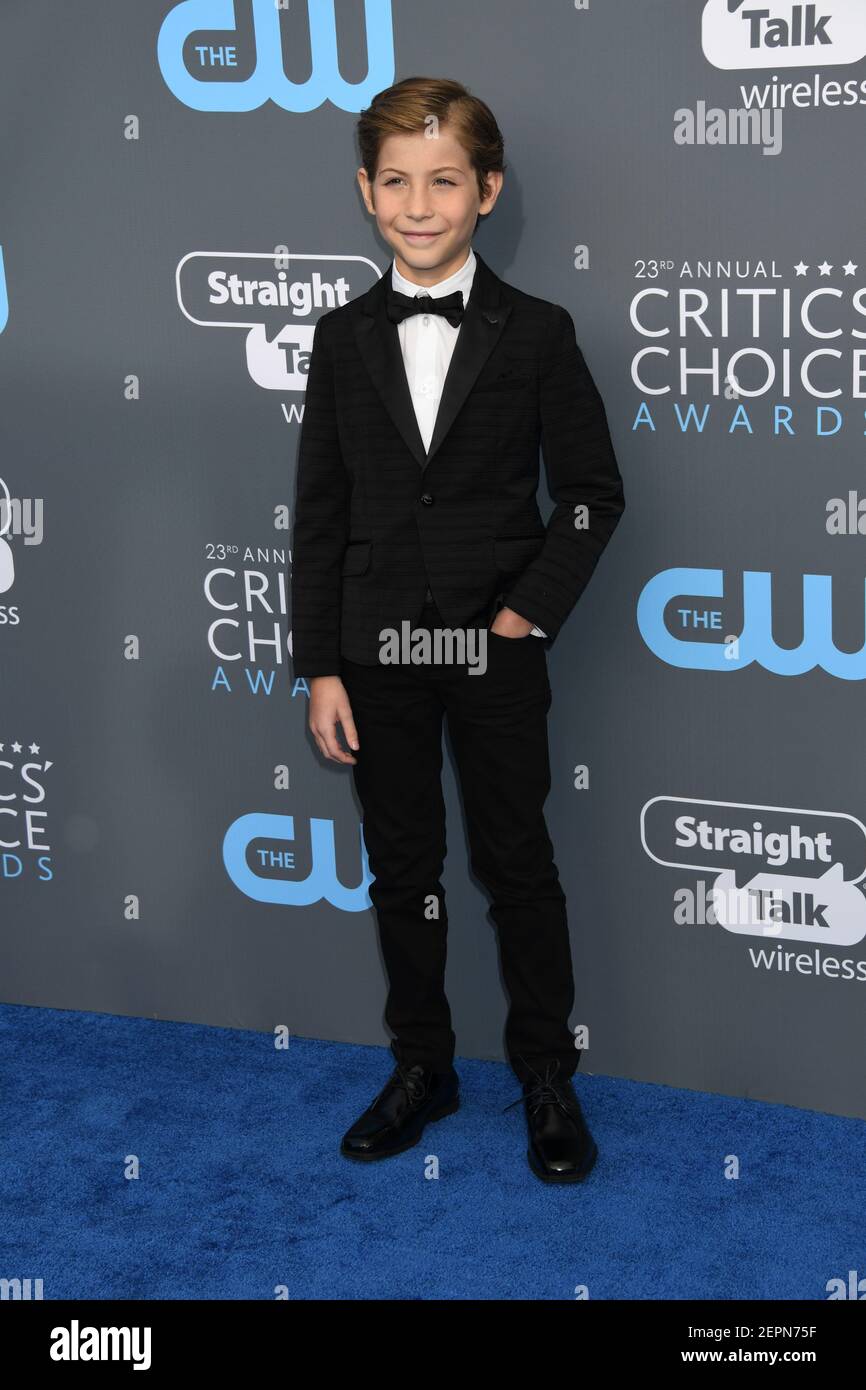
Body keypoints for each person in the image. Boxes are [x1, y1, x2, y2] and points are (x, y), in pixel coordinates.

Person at [291, 76, 625, 1183]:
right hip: (376, 652)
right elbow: (322, 513)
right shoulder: (339, 340)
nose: (418, 204)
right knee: (404, 866)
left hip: (491, 647)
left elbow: (588, 493)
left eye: (443, 181)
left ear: (484, 191)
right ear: (364, 191)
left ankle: (544, 1073)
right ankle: (422, 1066)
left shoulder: (536, 332)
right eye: (396, 181)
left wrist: (525, 610)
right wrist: (320, 667)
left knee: (515, 860)